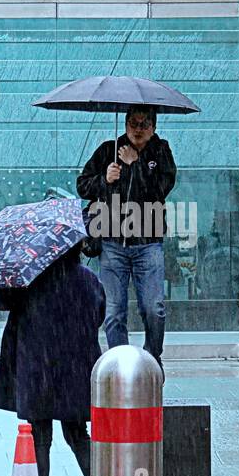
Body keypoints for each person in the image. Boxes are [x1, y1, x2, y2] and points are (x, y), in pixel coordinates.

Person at [0, 243, 105, 476]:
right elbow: (99, 315)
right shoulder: (87, 280)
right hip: (75, 371)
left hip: (37, 370)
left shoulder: (29, 281)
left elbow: (1, 302)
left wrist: (3, 272)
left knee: (39, 438)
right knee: (78, 435)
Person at [76, 105, 176, 371]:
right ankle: (121, 367)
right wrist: (104, 179)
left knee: (153, 308)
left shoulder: (161, 152)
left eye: (144, 124)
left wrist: (136, 164)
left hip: (148, 243)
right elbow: (83, 185)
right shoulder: (108, 150)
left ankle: (152, 361)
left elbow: (159, 191)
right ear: (125, 124)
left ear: (154, 127)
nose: (138, 129)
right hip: (112, 243)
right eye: (133, 123)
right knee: (113, 312)